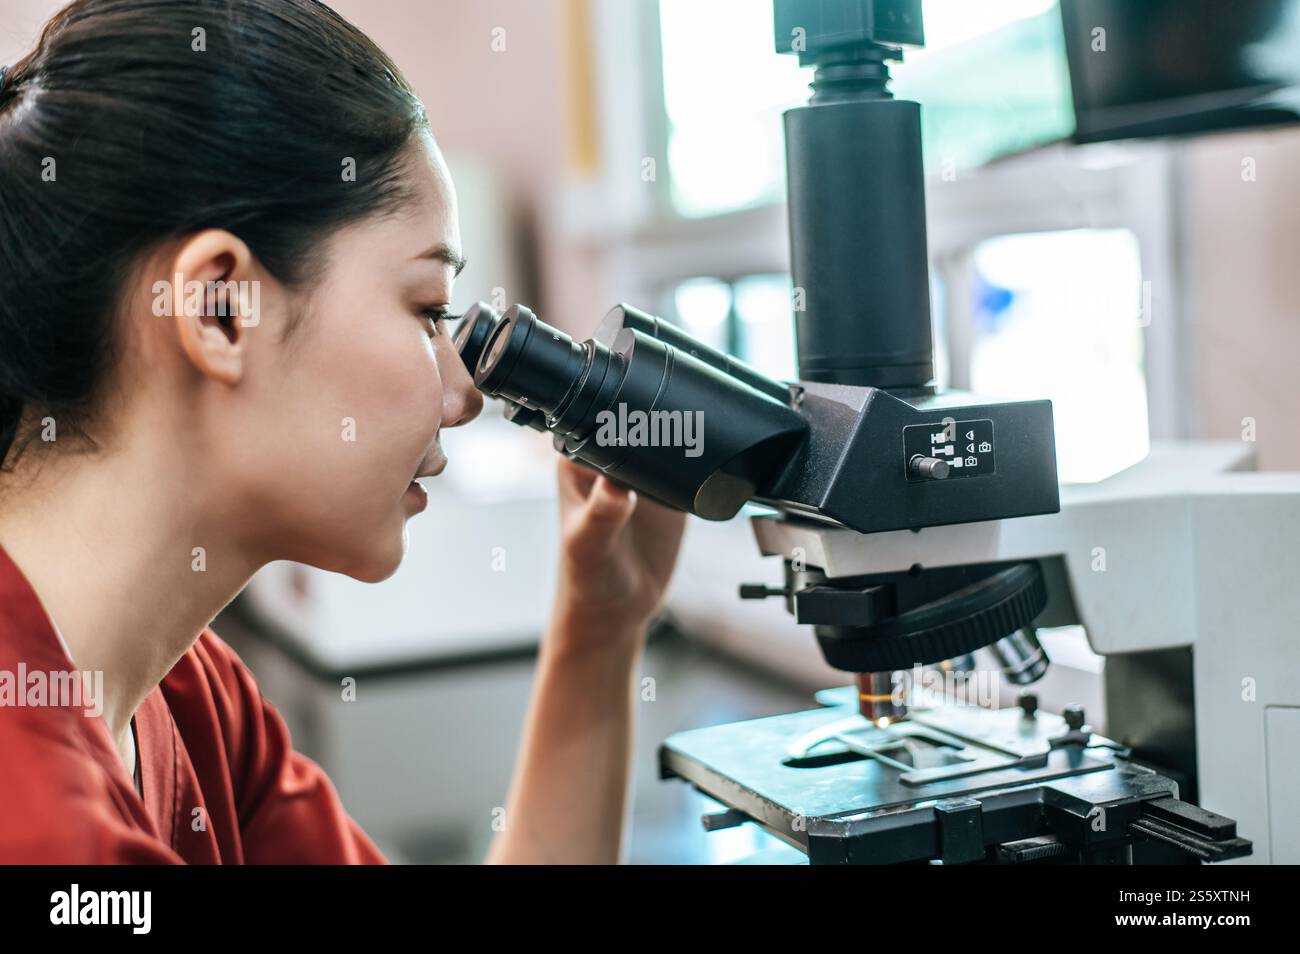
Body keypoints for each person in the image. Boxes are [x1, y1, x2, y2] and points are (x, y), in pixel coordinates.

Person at [0, 0, 686, 864]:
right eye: (427, 310)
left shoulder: (186, 693)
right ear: (220, 309)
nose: (464, 393)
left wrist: (602, 623)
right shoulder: (41, 832)